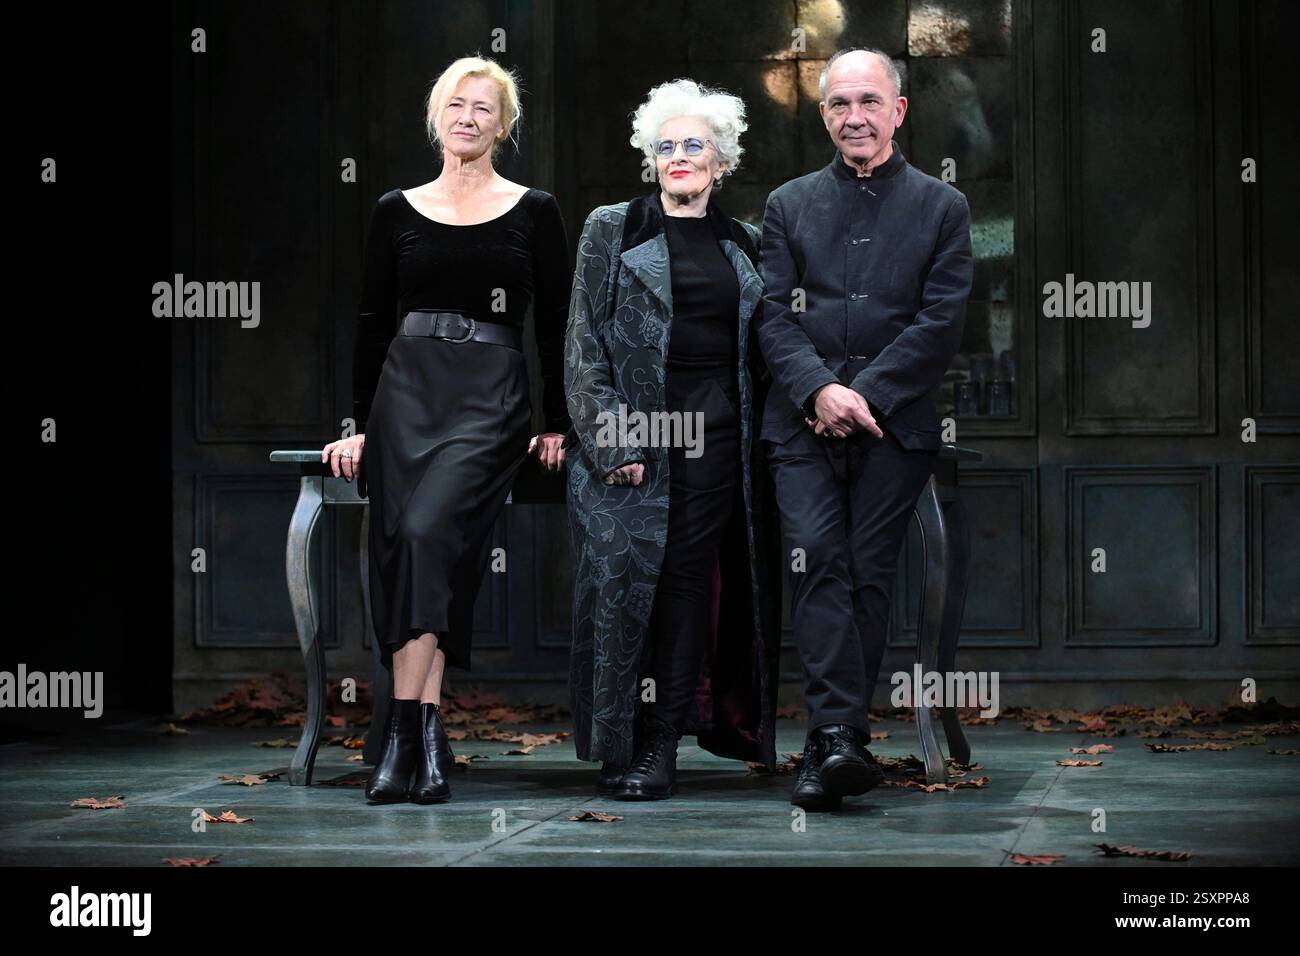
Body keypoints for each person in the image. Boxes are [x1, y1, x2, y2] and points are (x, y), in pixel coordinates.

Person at [324, 55, 570, 805]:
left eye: (483, 110)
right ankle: (422, 741)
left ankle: (402, 733)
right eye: (456, 106)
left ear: (505, 125)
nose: (468, 118)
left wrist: (558, 421)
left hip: (489, 397)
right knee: (407, 555)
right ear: (437, 115)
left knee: (428, 534)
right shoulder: (396, 210)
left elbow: (557, 327)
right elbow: (371, 325)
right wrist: (358, 425)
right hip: (406, 397)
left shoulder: (535, 209)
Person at [756, 48, 973, 811]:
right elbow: (770, 316)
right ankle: (839, 736)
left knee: (867, 571)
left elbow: (940, 324)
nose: (856, 116)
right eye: (840, 104)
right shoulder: (787, 204)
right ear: (824, 115)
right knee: (817, 562)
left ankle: (833, 740)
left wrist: (861, 394)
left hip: (895, 427)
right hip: (799, 426)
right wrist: (819, 389)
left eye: (870, 102)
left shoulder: (943, 208)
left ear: (899, 111)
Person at [565, 79, 784, 800]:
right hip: (634, 438)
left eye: (694, 146)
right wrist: (612, 437)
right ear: (650, 158)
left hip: (715, 437)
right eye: (665, 146)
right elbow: (583, 346)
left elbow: (761, 349)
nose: (679, 156)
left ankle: (661, 746)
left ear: (721, 161)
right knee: (630, 587)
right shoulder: (612, 227)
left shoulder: (739, 241)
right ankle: (617, 739)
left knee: (690, 588)